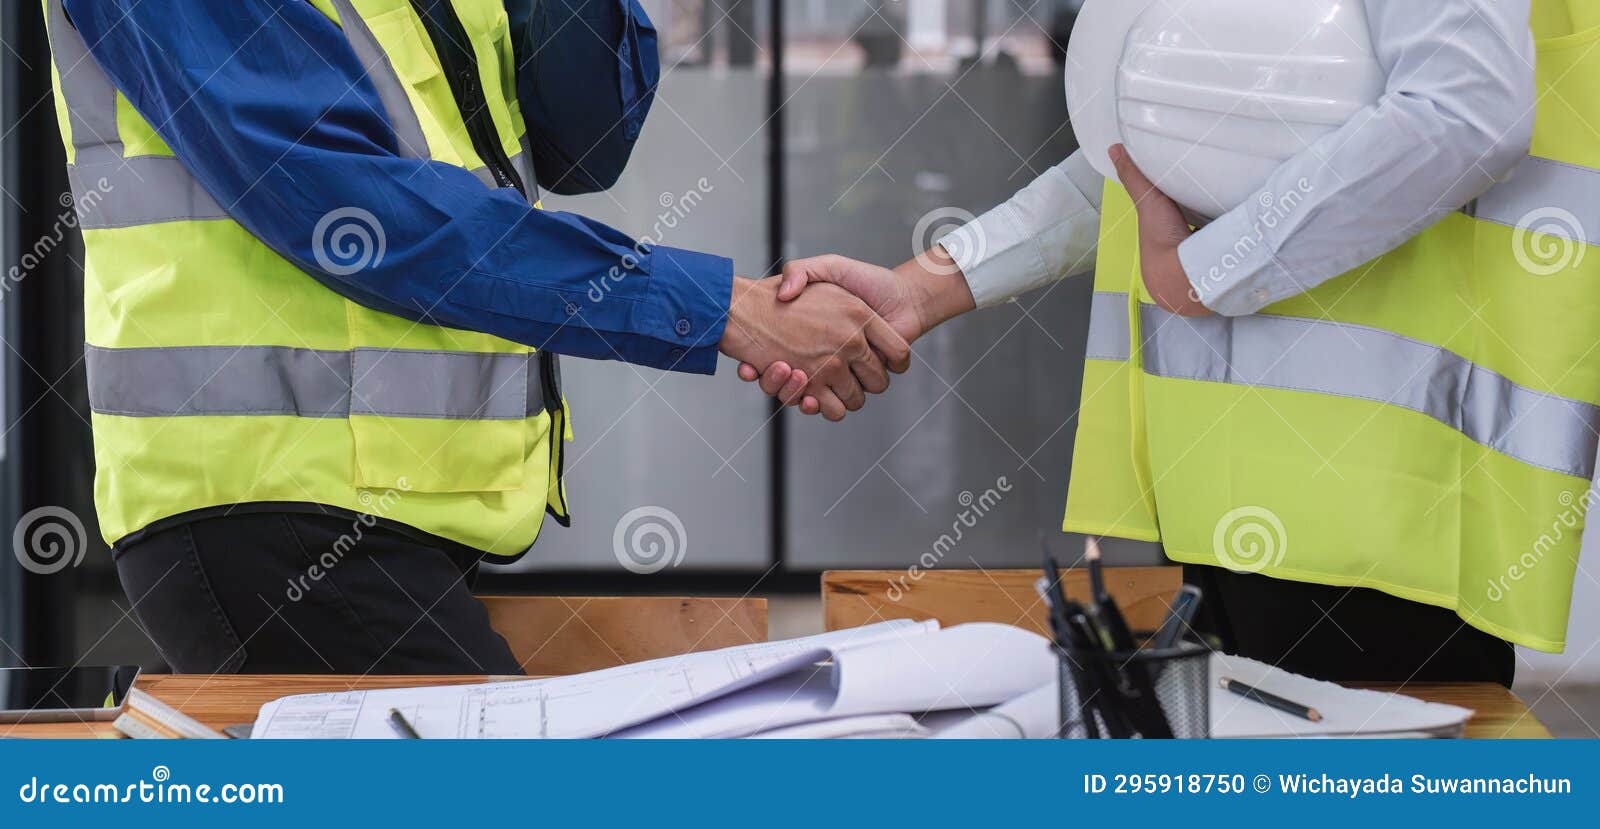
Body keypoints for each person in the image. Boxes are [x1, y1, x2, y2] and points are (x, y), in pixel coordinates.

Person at [746, 0, 1600, 686]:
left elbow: (1468, 107)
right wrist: (922, 289)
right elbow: (1157, 154)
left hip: (1381, 502)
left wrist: (1206, 272)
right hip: (1238, 493)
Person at [45, 0, 908, 676]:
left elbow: (588, 137)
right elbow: (354, 208)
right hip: (267, 507)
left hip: (409, 511)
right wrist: (725, 308)